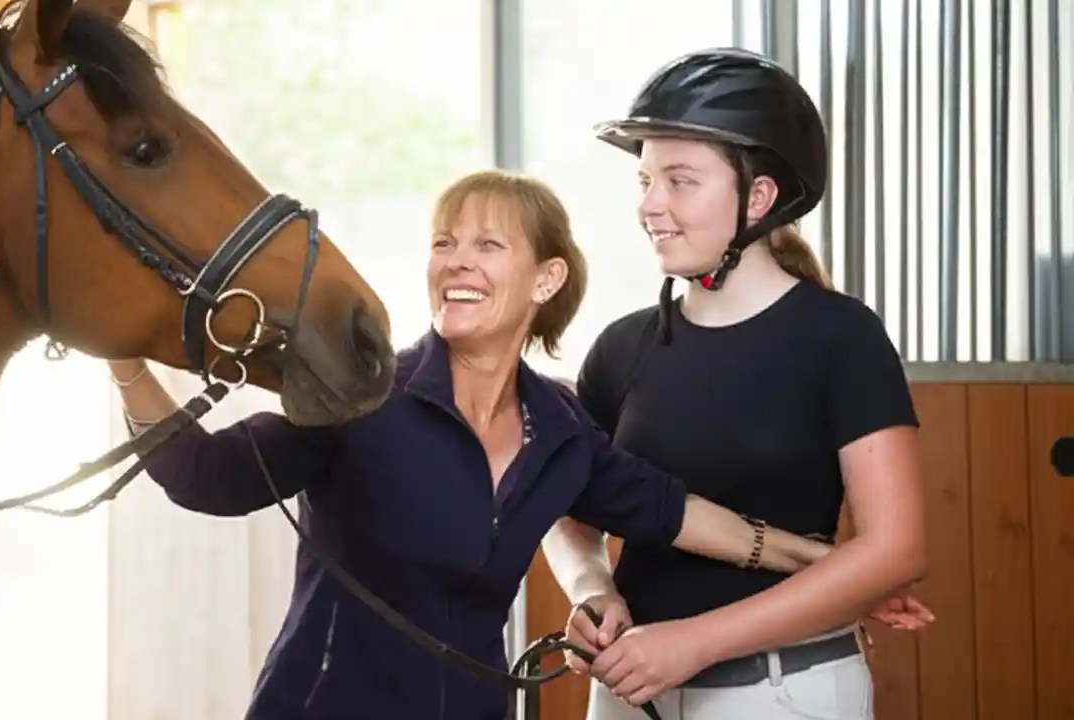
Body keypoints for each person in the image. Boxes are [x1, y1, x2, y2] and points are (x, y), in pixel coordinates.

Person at [107, 169, 844, 720]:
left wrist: (836, 570)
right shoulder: (364, 397)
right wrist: (124, 358)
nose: (456, 260)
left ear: (545, 279)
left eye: (487, 245)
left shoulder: (559, 429)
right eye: (443, 244)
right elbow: (206, 476)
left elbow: (670, 510)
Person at [540, 48, 932, 720]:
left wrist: (696, 642)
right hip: (633, 693)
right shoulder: (621, 346)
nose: (651, 206)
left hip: (784, 693)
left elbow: (896, 548)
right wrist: (590, 587)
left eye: (680, 180)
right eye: (644, 181)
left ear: (759, 196)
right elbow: (570, 510)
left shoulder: (840, 337)